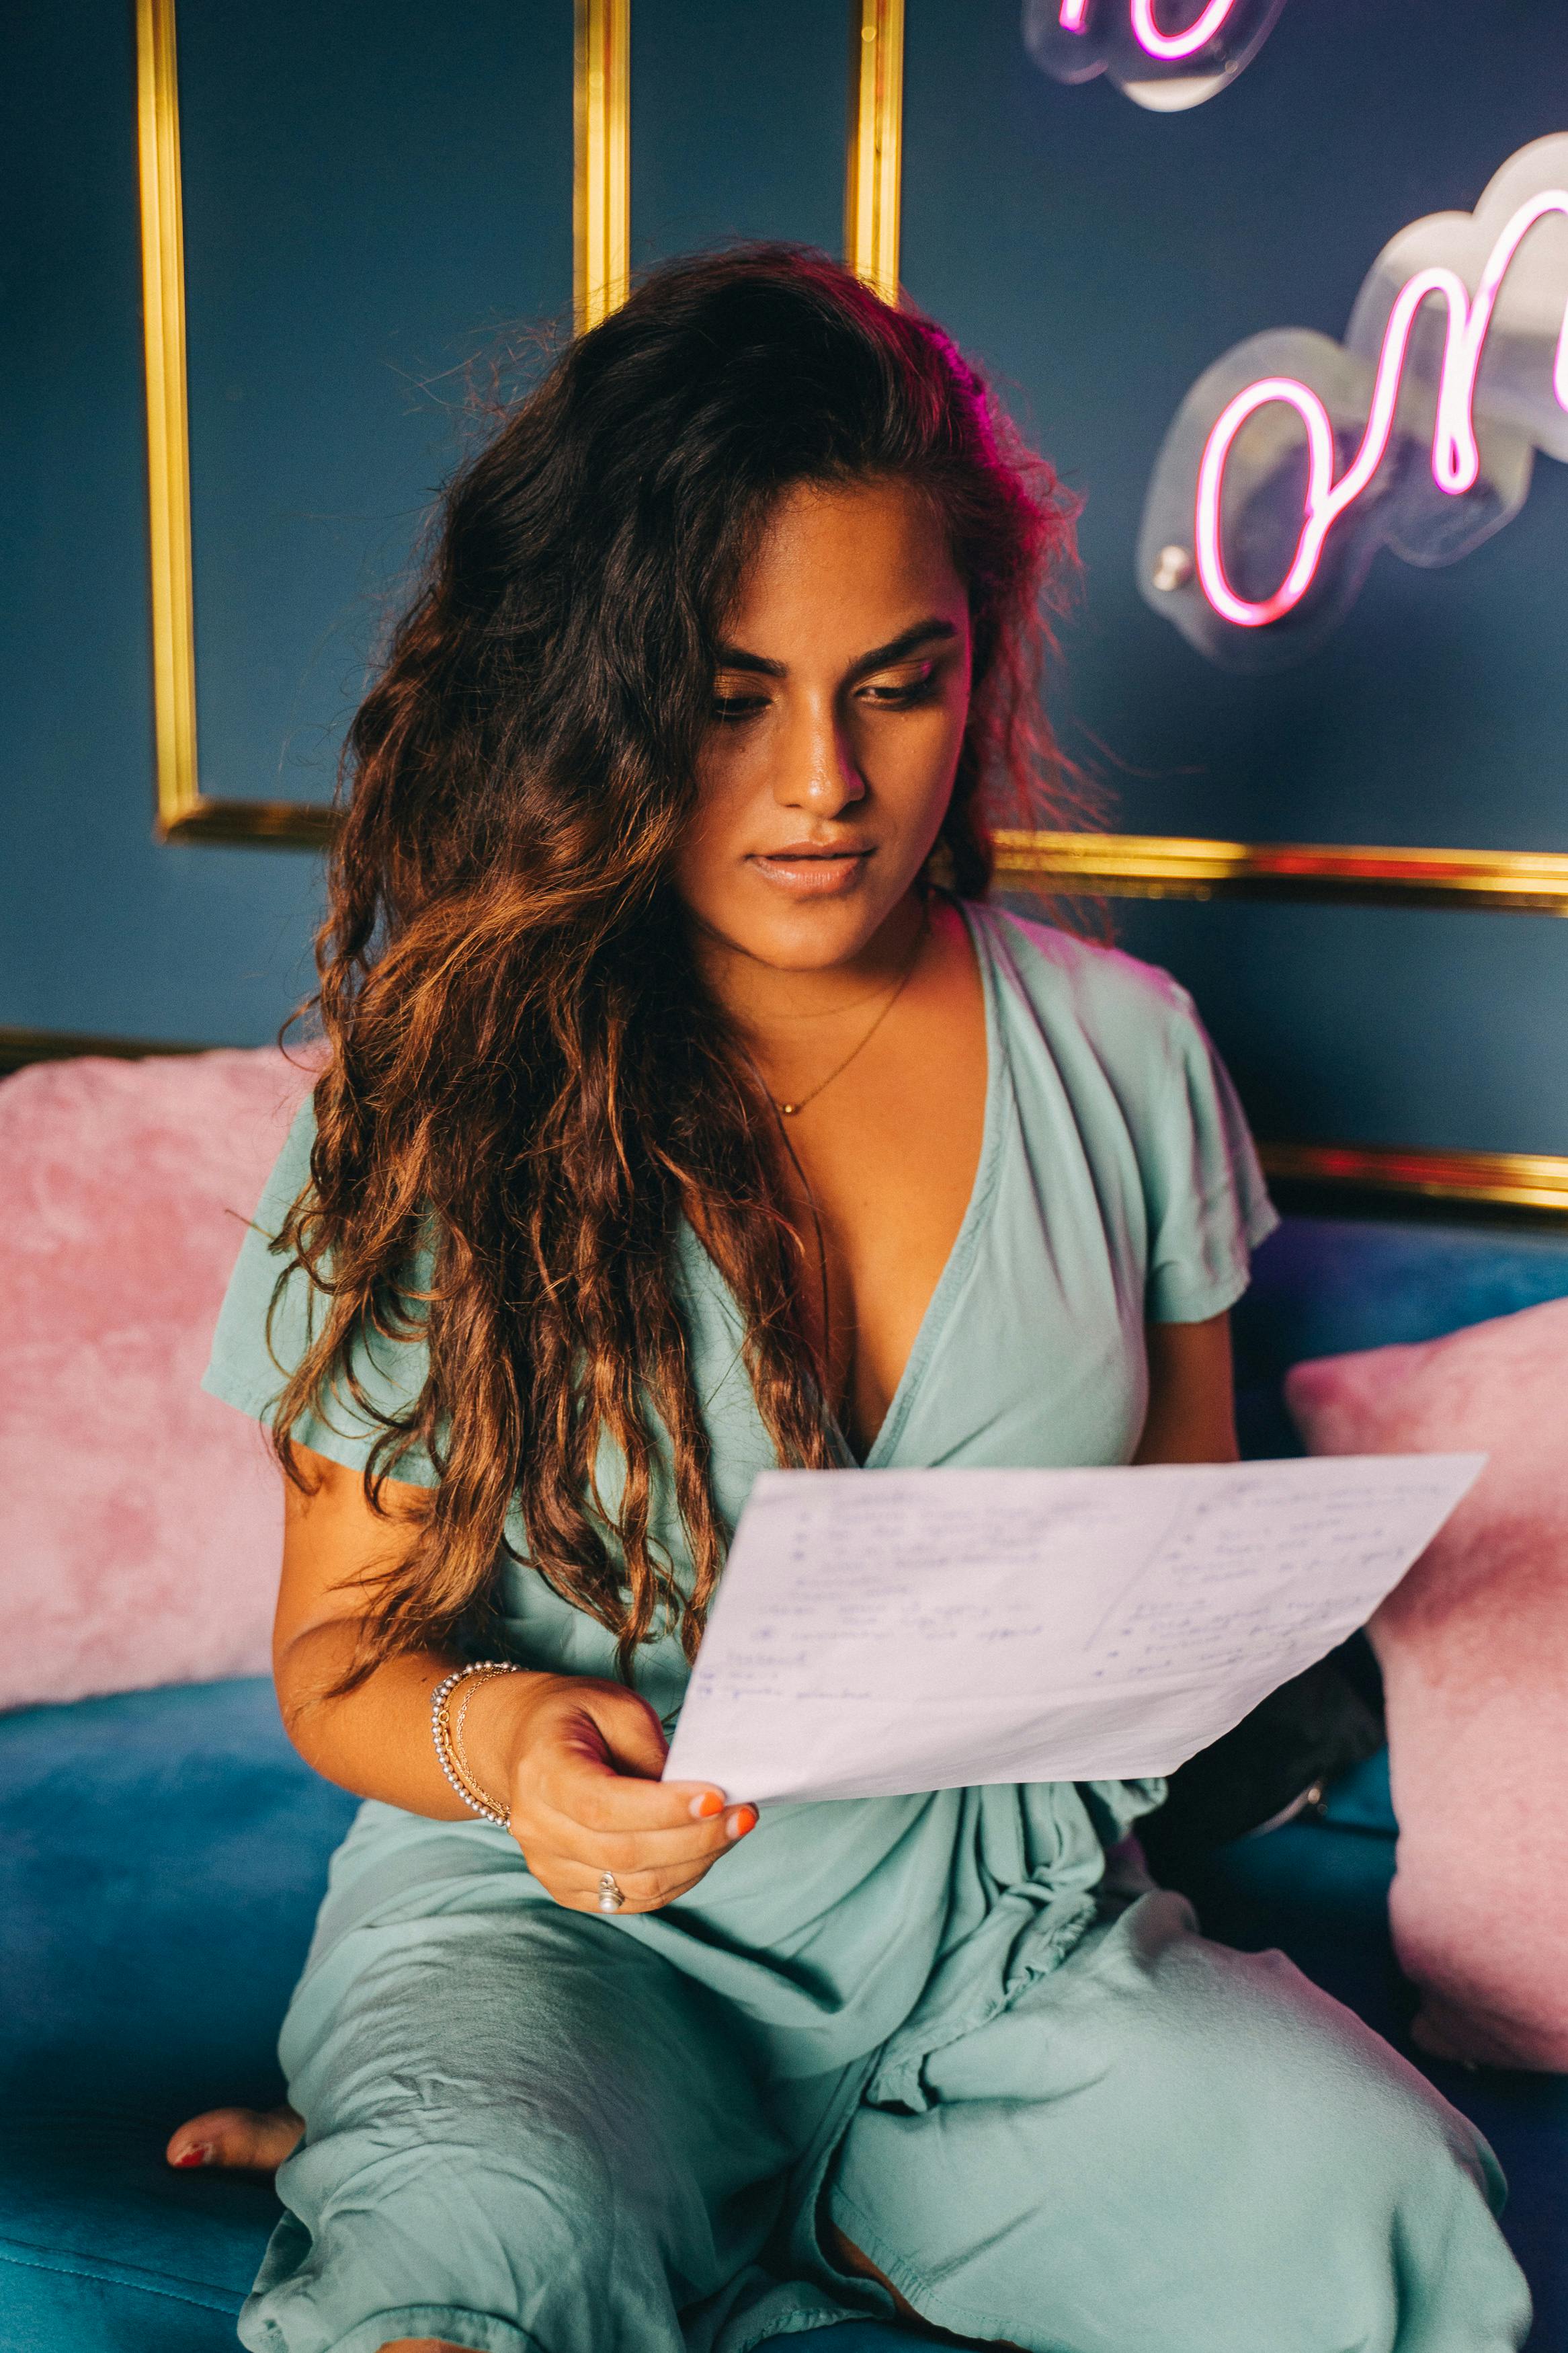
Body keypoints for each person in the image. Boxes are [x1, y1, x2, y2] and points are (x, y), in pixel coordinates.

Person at [169, 247, 1530, 2353]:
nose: (825, 782)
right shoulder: (451, 1096)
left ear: (976, 666)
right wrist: (513, 1740)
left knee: (1392, 2214)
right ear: (609, 688)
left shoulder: (1133, 1058)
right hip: (570, 1940)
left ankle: (805, 2205)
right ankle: (530, 2159)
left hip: (998, 1967)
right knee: (458, 2293)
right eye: (733, 695)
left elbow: (1156, 1595)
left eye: (895, 682)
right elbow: (339, 1654)